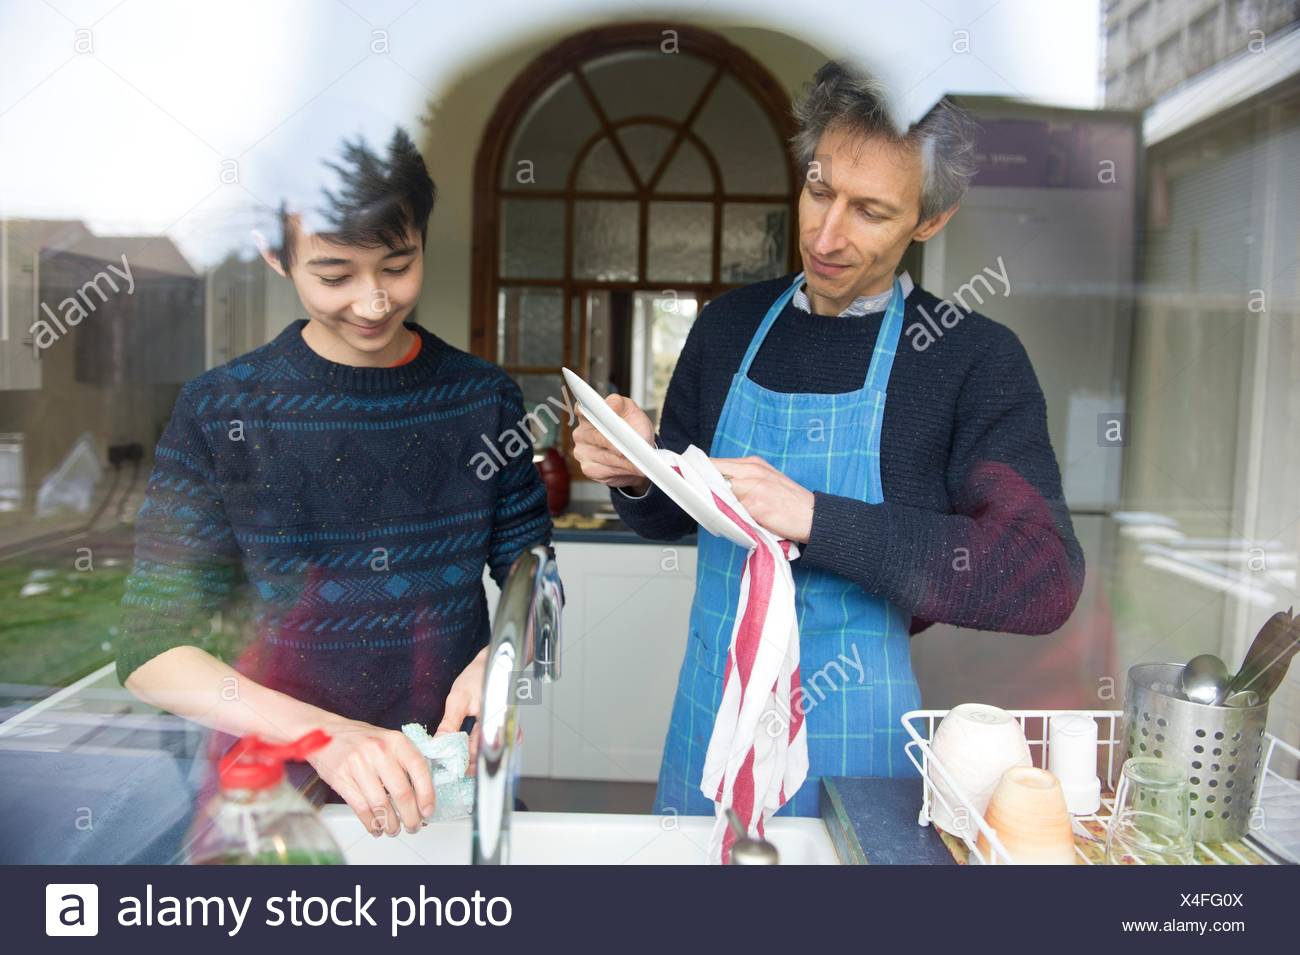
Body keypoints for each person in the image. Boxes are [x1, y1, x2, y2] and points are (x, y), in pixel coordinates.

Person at [573, 61, 1084, 817]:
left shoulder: (967, 358)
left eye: (871, 211)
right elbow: (675, 516)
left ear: (930, 219)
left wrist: (815, 516)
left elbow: (1042, 577)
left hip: (854, 746)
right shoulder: (730, 327)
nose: (827, 234)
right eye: (819, 190)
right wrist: (639, 469)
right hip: (710, 730)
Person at [116, 128, 554, 836]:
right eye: (334, 274)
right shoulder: (220, 409)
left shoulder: (483, 399)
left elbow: (534, 577)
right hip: (271, 804)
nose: (374, 301)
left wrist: (499, 661)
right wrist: (327, 735)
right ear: (273, 253)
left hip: (441, 792)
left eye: (397, 264)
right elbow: (149, 651)